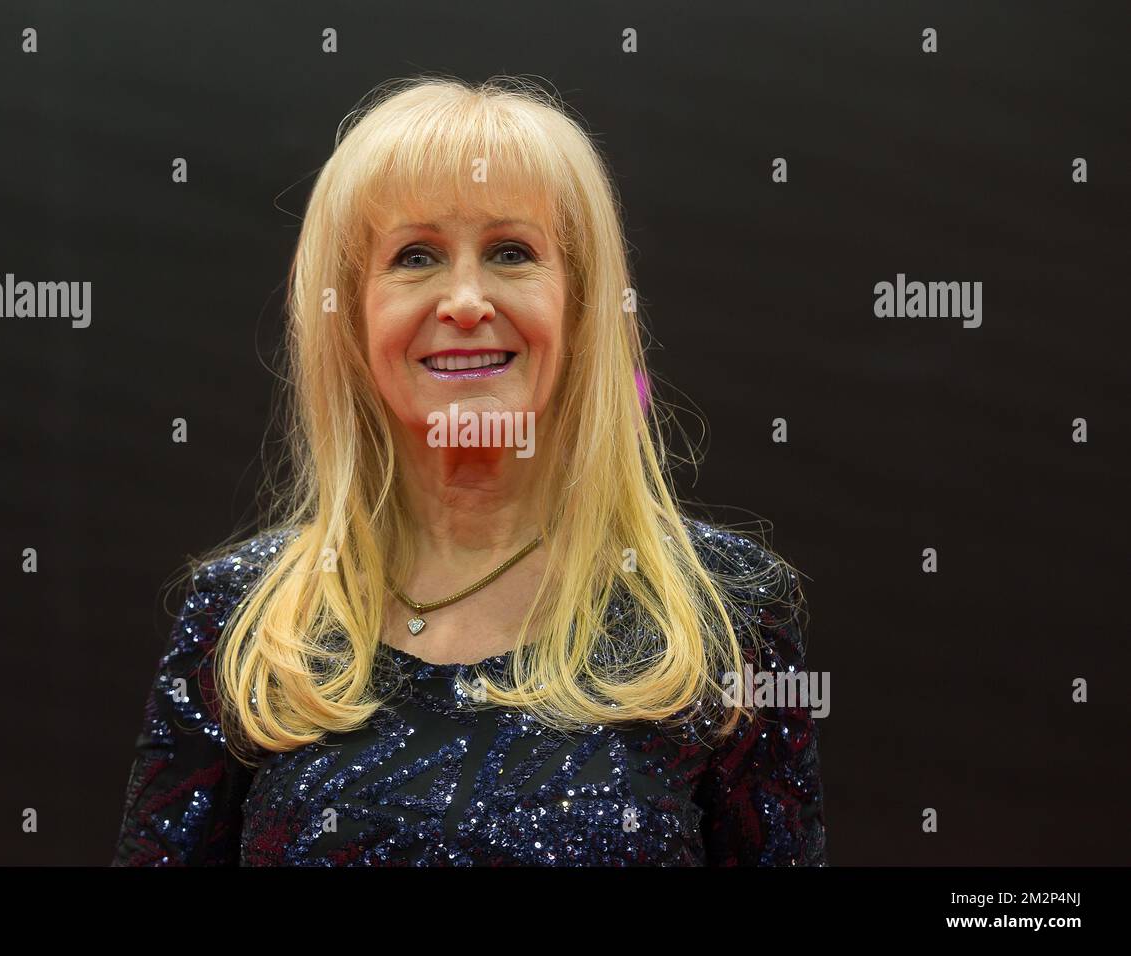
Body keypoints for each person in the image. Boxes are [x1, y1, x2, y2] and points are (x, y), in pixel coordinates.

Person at [112, 75, 826, 866]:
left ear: (583, 307)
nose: (463, 300)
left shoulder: (726, 610)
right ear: (350, 318)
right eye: (414, 256)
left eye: (511, 253)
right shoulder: (242, 618)